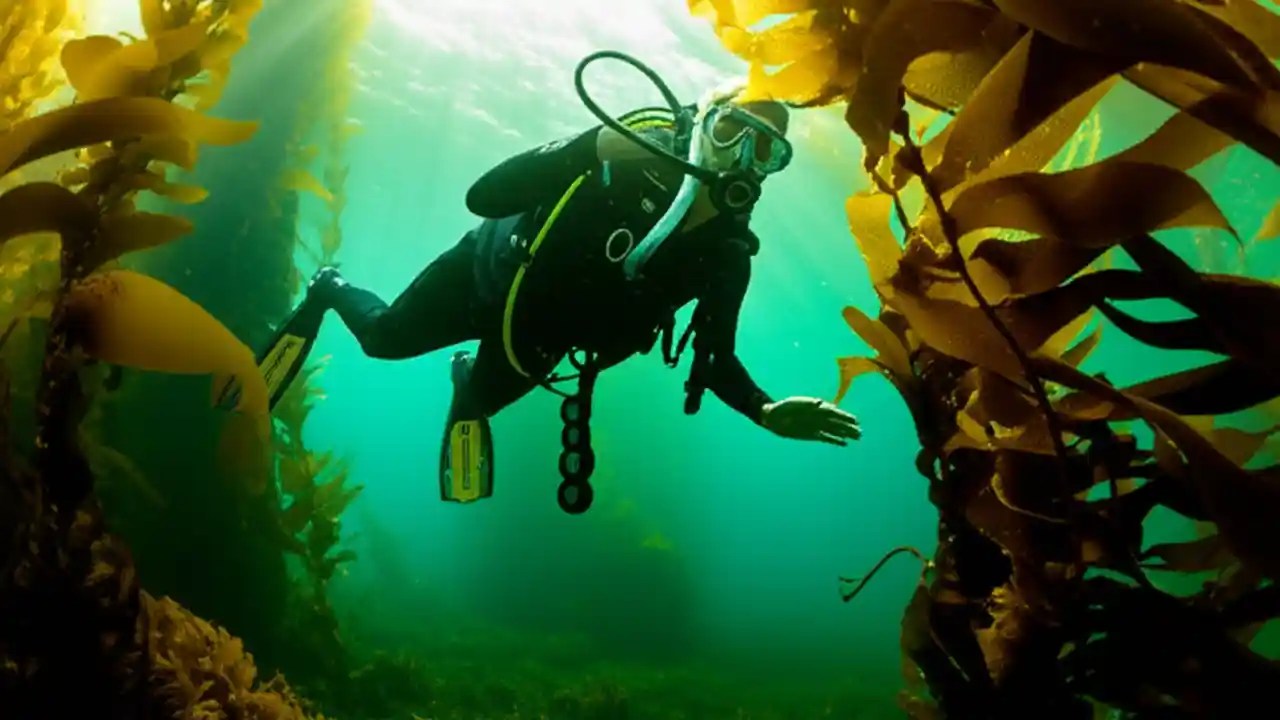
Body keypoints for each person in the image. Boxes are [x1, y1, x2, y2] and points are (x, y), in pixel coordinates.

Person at [254, 79, 862, 510]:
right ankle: (329, 288)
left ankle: (468, 380)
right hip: (484, 275)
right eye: (733, 131)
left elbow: (715, 359)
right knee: (384, 341)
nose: (743, 159)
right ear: (703, 124)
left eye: (768, 151)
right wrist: (586, 148)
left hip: (537, 345)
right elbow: (484, 197)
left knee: (483, 401)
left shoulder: (725, 256)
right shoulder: (628, 157)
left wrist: (763, 409)